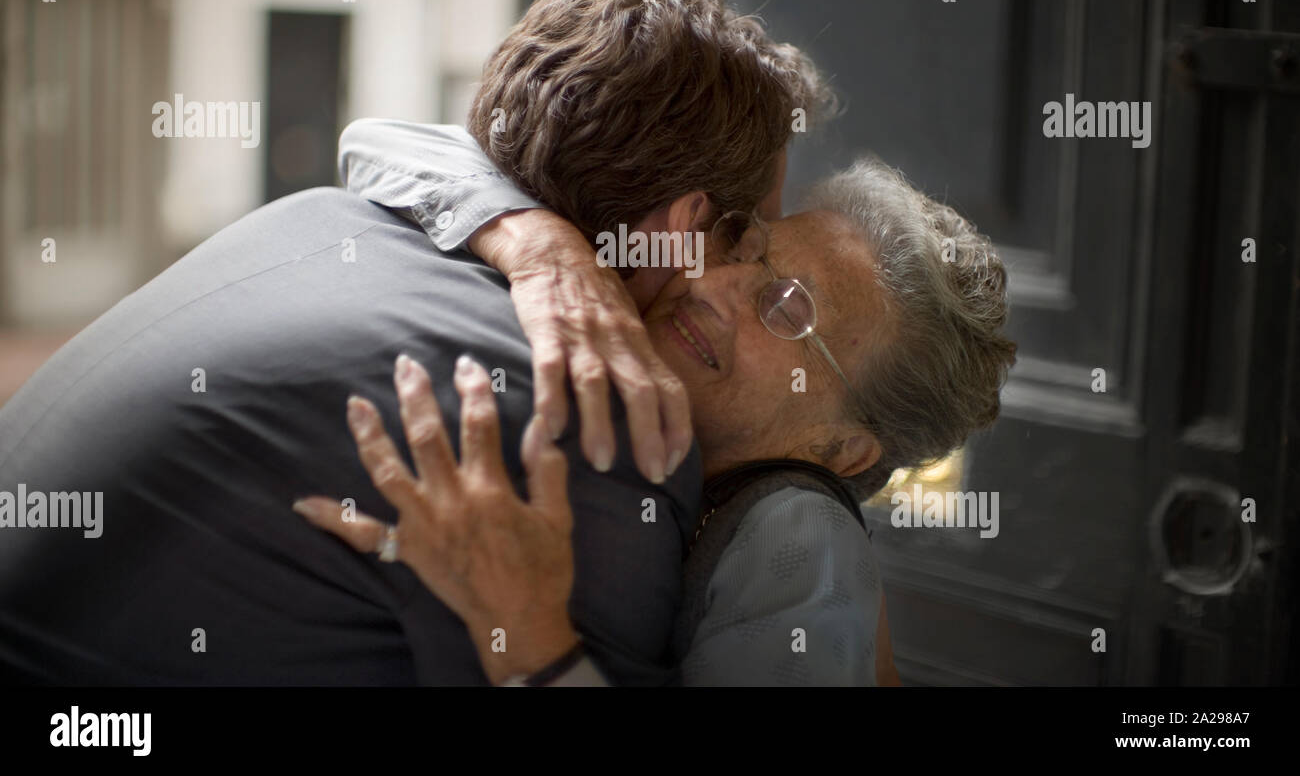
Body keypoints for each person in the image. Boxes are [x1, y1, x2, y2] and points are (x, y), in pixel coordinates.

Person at [0, 0, 827, 684]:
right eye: (746, 238)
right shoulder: (589, 425)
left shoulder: (320, 214)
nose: (745, 272)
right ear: (683, 224)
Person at [301, 116, 1017, 684]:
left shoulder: (801, 536)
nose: (711, 284)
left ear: (842, 448)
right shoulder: (605, 308)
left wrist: (526, 632)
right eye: (744, 247)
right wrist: (540, 245)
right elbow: (378, 138)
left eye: (786, 308)